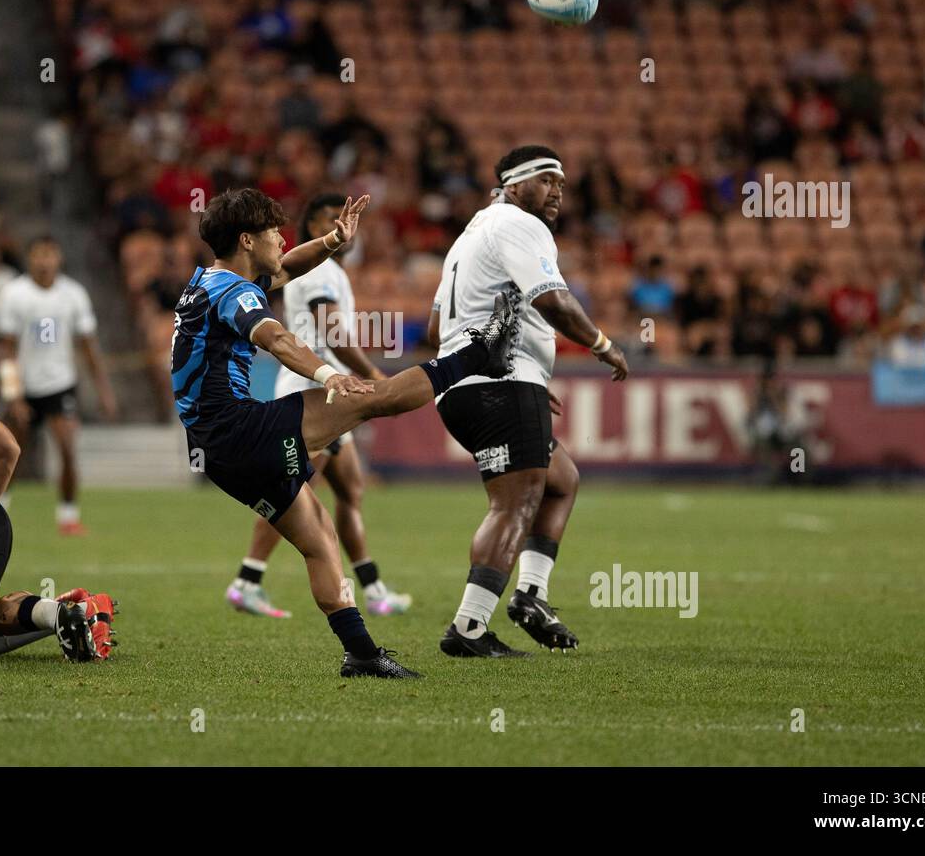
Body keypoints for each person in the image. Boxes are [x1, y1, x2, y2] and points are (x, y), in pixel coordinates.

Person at [171, 189, 517, 677]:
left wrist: (333, 240)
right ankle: (482, 351)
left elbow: (289, 265)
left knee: (318, 536)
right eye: (272, 231)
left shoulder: (208, 281)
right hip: (239, 429)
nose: (282, 238)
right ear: (247, 240)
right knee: (374, 400)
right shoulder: (239, 293)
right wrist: (326, 375)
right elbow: (277, 337)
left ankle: (361, 653)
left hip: (215, 446)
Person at [428, 146, 628, 658]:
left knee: (561, 481)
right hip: (500, 385)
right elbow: (552, 300)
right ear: (513, 186)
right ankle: (469, 629)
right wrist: (603, 345)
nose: (558, 189)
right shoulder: (519, 224)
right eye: (546, 179)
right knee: (514, 503)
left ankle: (531, 595)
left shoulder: (470, 234)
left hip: (464, 388)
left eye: (562, 181)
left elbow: (436, 327)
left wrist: (531, 375)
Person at [226, 193, 411, 619]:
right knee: (291, 492)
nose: (345, 226)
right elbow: (332, 331)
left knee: (350, 489)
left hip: (327, 389)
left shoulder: (329, 270)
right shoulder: (322, 271)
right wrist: (376, 376)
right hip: (315, 391)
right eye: (332, 218)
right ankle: (246, 581)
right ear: (312, 227)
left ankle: (374, 587)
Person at [0, 236, 117, 536]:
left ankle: (68, 516)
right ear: (29, 259)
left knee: (67, 448)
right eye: (39, 255)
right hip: (25, 386)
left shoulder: (73, 294)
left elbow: (88, 346)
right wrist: (14, 396)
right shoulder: (14, 294)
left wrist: (104, 391)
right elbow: (7, 350)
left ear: (59, 258)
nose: (44, 261)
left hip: (60, 384)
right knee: (10, 453)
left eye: (50, 254)